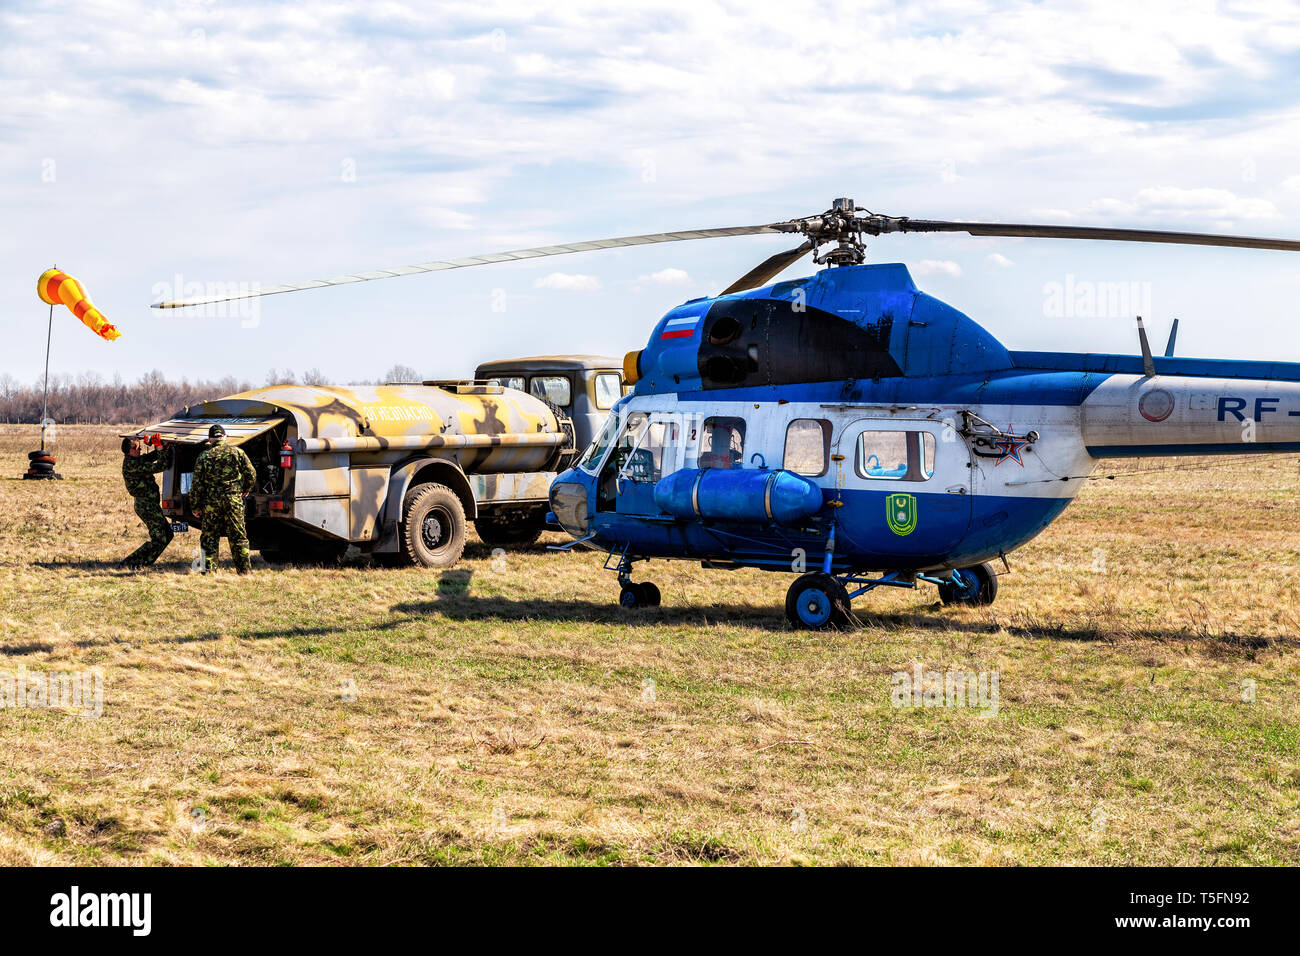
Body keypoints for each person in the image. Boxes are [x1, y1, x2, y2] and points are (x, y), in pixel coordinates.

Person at [191, 423, 257, 574]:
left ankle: (208, 571)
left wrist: (195, 507)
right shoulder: (237, 452)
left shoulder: (204, 456)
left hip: (211, 503)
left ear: (210, 439)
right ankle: (244, 571)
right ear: (225, 437)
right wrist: (246, 488)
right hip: (233, 501)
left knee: (209, 537)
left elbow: (196, 485)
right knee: (238, 536)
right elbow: (251, 473)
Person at [120, 435, 174, 568]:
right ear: (129, 450)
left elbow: (149, 457)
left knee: (167, 534)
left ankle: (143, 562)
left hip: (149, 504)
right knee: (160, 539)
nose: (140, 450)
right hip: (146, 505)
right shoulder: (132, 464)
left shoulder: (135, 460)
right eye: (137, 448)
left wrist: (162, 446)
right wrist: (161, 448)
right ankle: (131, 563)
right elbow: (162, 465)